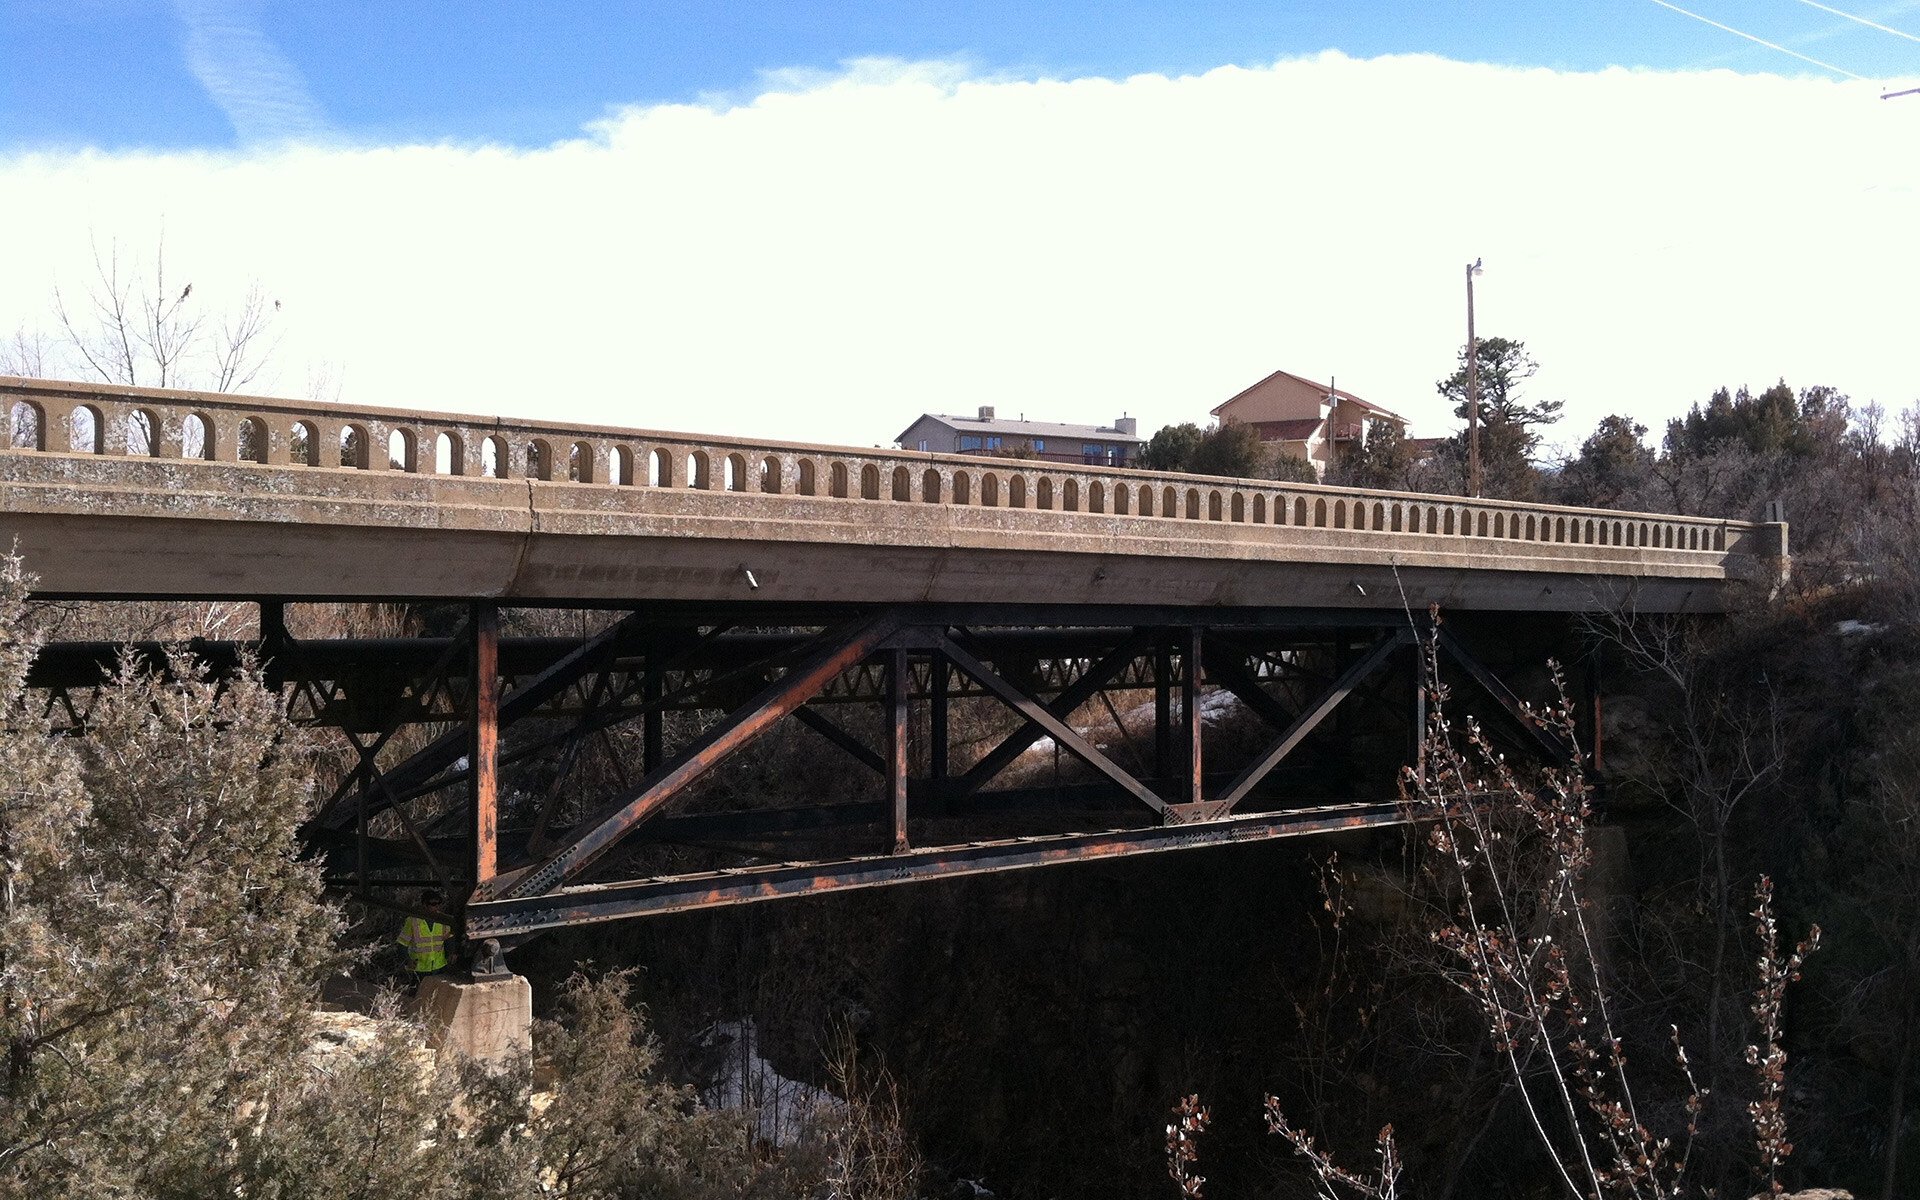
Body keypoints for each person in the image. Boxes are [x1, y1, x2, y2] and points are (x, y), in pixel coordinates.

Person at [396, 891, 452, 982]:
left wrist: (451, 953)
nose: (437, 906)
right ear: (424, 905)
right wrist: (407, 960)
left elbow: (449, 939)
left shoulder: (443, 920)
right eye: (433, 904)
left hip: (439, 967)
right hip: (419, 968)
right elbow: (402, 944)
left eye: (439, 904)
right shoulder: (412, 921)